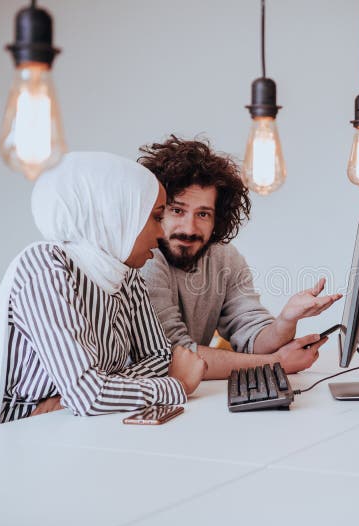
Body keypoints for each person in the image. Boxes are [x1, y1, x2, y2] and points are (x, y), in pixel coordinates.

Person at [0, 152, 206, 432]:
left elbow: (159, 359)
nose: (161, 233)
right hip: (12, 434)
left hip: (71, 427)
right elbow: (89, 395)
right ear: (116, 215)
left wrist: (80, 395)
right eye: (155, 217)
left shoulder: (126, 275)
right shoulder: (47, 267)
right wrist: (177, 385)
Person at [139, 136, 339, 379]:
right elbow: (173, 355)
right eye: (177, 210)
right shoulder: (145, 256)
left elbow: (251, 334)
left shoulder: (224, 257)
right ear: (157, 209)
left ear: (218, 219)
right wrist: (275, 363)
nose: (189, 228)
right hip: (141, 401)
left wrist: (286, 320)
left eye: (203, 214)